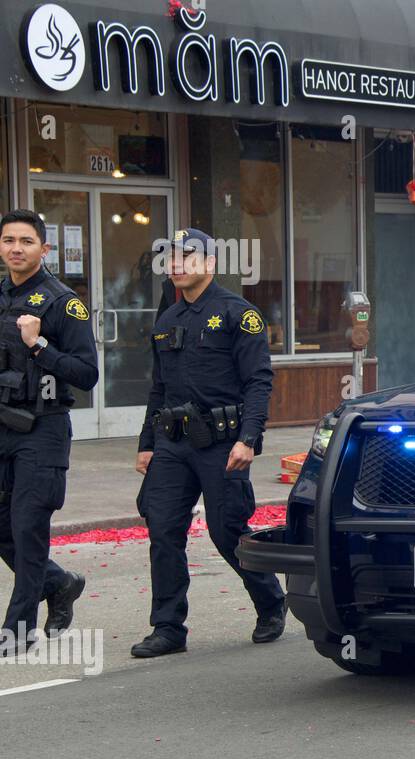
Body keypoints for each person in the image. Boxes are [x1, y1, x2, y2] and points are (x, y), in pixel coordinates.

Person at [131, 228, 284, 657]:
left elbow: (258, 381)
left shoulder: (238, 314)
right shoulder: (167, 320)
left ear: (211, 263)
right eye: (172, 258)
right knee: (162, 531)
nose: (178, 264)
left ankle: (271, 602)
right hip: (173, 445)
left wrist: (249, 438)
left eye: (188, 256)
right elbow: (158, 388)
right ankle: (168, 628)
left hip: (223, 444)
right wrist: (146, 443)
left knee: (226, 531)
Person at [0, 210, 96, 649]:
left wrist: (38, 345)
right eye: (8, 241)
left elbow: (87, 373)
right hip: (3, 426)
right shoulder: (1, 295)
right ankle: (58, 583)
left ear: (44, 248)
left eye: (25, 241)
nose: (15, 248)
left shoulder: (62, 302)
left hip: (44, 429)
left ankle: (19, 629)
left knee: (27, 526)